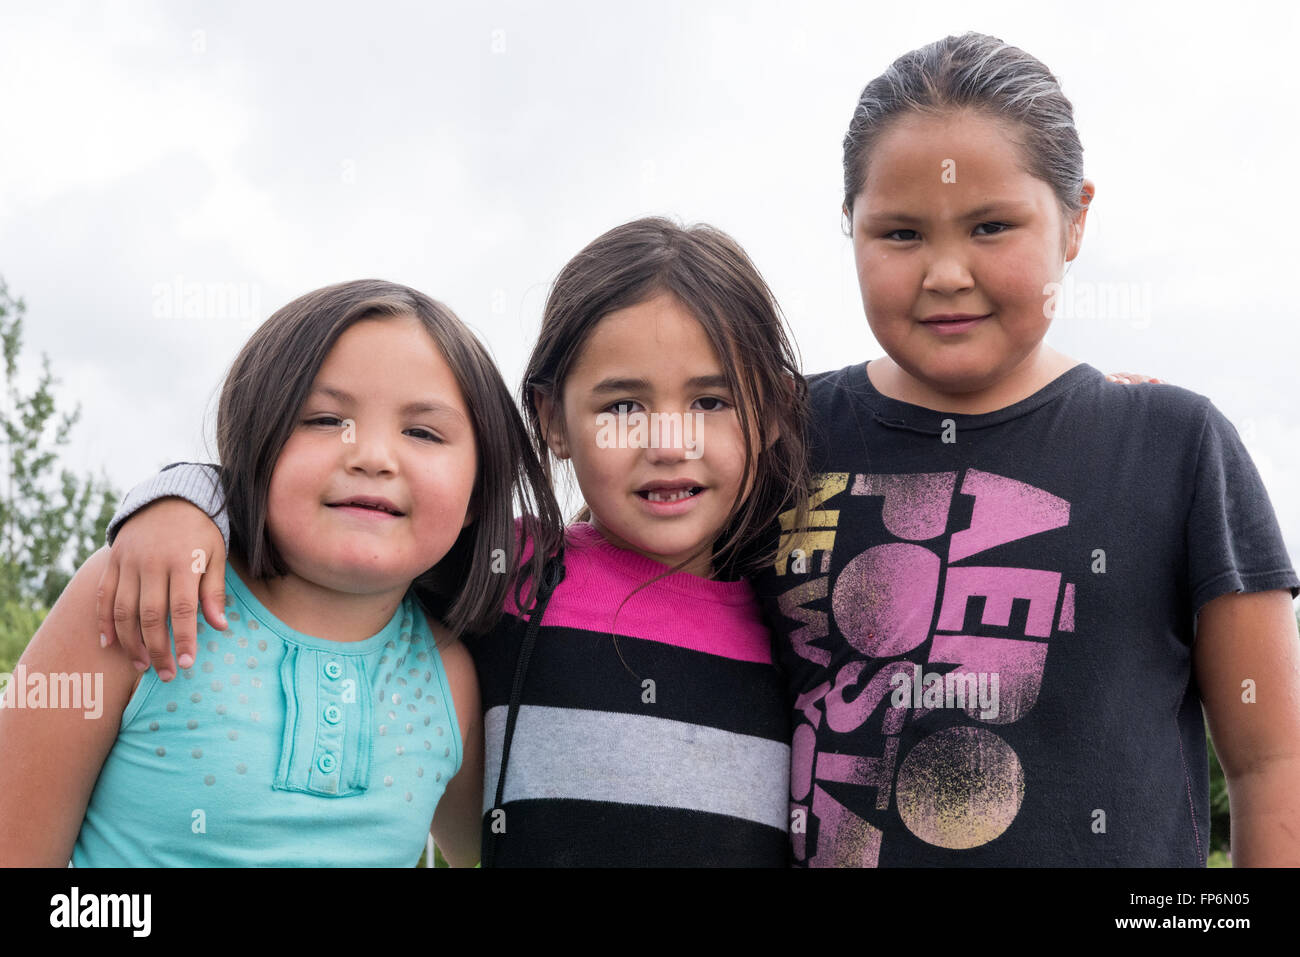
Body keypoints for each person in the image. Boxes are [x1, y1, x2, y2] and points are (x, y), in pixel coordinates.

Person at [87, 219, 813, 866]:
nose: (669, 442)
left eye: (711, 402)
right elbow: (348, 522)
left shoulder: (800, 615)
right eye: (623, 404)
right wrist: (187, 496)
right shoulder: (510, 571)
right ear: (552, 419)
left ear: (775, 411)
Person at [746, 32, 1300, 866]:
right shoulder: (773, 437)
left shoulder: (1175, 445)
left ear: (1074, 221)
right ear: (848, 226)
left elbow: (1271, 761)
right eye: (899, 234)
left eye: (992, 226)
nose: (945, 272)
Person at [0, 279, 560, 866]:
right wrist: (186, 491)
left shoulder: (450, 678)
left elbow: (496, 845)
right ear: (255, 444)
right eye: (322, 419)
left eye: (422, 432)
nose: (371, 455)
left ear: (477, 493)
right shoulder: (144, 599)